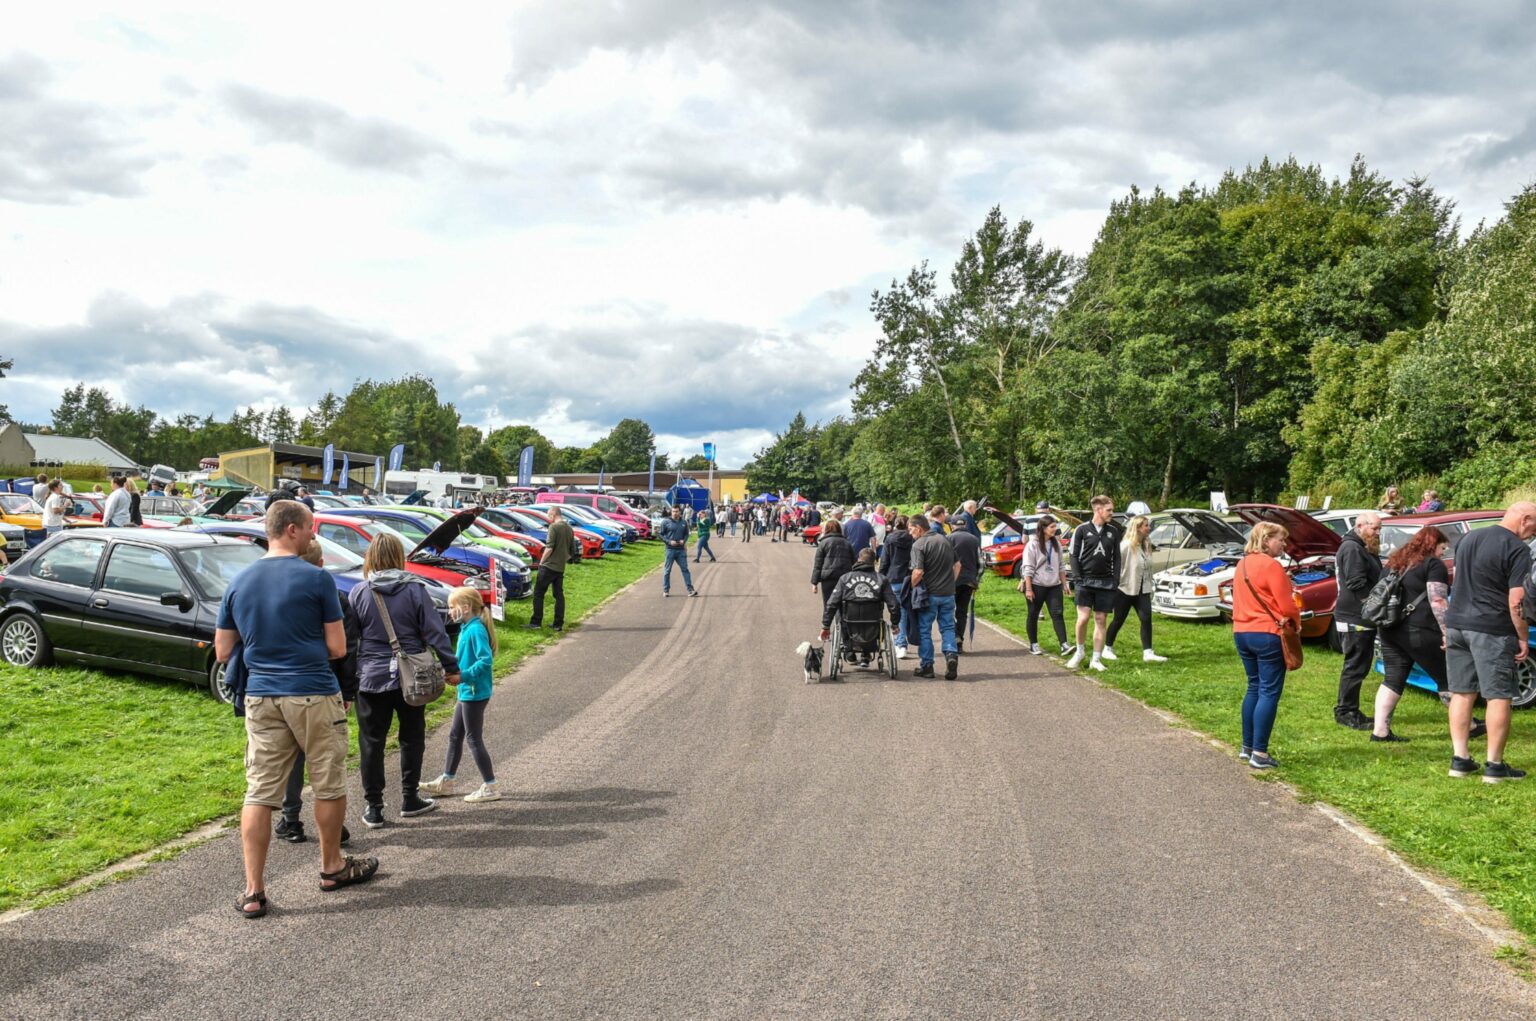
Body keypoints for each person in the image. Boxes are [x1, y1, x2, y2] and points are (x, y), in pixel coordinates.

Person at [215, 500, 376, 919]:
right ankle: (332, 867)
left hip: (262, 697)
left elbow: (222, 650)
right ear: (290, 529)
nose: (313, 536)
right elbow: (338, 648)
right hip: (312, 692)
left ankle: (253, 891)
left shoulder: (239, 581)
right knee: (327, 781)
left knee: (260, 791)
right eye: (309, 528)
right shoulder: (317, 579)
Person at [350, 533, 460, 827]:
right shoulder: (415, 590)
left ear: (370, 558)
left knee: (371, 742)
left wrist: (347, 680)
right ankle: (410, 797)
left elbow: (350, 639)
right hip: (413, 675)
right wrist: (450, 666)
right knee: (412, 737)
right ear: (400, 556)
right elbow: (435, 631)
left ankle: (374, 807)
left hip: (371, 677)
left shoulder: (359, 592)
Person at [275, 538, 359, 846]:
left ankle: (291, 819)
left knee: (294, 758)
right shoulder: (336, 598)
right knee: (328, 761)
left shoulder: (278, 596)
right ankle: (333, 825)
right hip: (326, 686)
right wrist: (348, 691)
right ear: (322, 565)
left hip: (281, 687)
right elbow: (347, 650)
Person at [1444, 502, 1536, 782]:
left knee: (1461, 693)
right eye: (1535, 526)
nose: (1533, 533)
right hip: (1491, 627)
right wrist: (1522, 636)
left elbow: (1459, 581)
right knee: (1498, 696)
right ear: (1525, 519)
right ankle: (1494, 765)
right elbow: (1516, 599)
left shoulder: (1468, 538)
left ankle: (1460, 760)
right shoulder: (1517, 549)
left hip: (1457, 623)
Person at [1371, 526, 1479, 742]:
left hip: (1390, 629)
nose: (1443, 553)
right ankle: (1469, 726)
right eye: (1442, 547)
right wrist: (1447, 632)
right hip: (1420, 630)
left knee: (1393, 679)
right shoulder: (1432, 565)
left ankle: (1380, 732)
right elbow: (1438, 600)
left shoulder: (1395, 562)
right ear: (1433, 544)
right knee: (1448, 680)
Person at [421, 588, 502, 803]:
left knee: (473, 738)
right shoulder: (467, 627)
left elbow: (486, 662)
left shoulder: (475, 630)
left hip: (474, 692)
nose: (449, 611)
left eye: (452, 607)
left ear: (466, 608)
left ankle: (491, 785)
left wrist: (463, 676)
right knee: (455, 735)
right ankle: (447, 780)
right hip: (467, 690)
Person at [1232, 522, 1301, 770]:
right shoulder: (1272, 565)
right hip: (1268, 633)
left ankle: (1247, 747)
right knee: (1269, 692)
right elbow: (1287, 606)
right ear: (1266, 539)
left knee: (1254, 687)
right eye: (1280, 540)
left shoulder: (1242, 563)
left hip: (1241, 631)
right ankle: (1260, 753)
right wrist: (1297, 623)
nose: (1284, 545)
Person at [1332, 512, 1382, 731]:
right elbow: (1355, 582)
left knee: (1358, 665)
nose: (1378, 533)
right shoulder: (1352, 548)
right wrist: (1373, 605)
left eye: (1380, 528)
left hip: (1359, 616)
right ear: (1360, 526)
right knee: (1355, 666)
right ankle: (1346, 711)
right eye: (1375, 528)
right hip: (1354, 617)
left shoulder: (1360, 546)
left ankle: (1350, 708)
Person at [819, 548, 901, 664]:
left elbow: (831, 603)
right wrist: (895, 623)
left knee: (842, 615)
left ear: (858, 559)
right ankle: (866, 654)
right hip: (873, 621)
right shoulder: (882, 579)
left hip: (849, 622)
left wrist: (825, 626)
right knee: (871, 618)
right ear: (874, 562)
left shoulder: (845, 578)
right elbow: (894, 604)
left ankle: (849, 652)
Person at [1104, 515, 1168, 663]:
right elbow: (1116, 566)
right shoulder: (1125, 545)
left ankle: (1148, 652)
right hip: (1125, 588)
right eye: (1146, 525)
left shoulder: (1146, 544)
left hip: (1143, 589)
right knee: (1119, 619)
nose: (1149, 528)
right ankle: (1107, 648)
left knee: (1146, 619)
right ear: (1138, 528)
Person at [1067, 496, 1121, 672]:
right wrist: (1077, 578)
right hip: (1085, 581)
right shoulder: (1081, 530)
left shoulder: (1113, 531)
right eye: (1109, 510)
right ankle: (1080, 651)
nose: (1112, 513)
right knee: (1082, 619)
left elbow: (1117, 558)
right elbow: (1073, 555)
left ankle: (1096, 659)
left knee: (1101, 619)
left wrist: (1115, 580)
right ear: (1098, 510)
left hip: (1106, 582)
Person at [909, 513, 961, 679]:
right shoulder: (944, 540)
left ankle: (927, 666)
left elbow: (918, 572)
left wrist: (910, 587)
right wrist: (951, 582)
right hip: (948, 593)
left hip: (929, 594)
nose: (910, 533)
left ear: (918, 528)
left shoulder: (919, 545)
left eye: (911, 530)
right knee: (947, 627)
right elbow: (958, 565)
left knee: (925, 630)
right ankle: (951, 655)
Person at [1019, 514, 1072, 656]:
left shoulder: (1056, 544)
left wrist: (1064, 584)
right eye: (1052, 527)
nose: (1056, 529)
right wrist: (1029, 589)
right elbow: (1028, 568)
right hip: (1036, 585)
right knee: (1033, 614)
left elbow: (1061, 565)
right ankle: (1034, 644)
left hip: (1053, 585)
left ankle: (1064, 644)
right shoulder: (1032, 544)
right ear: (1043, 528)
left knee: (1058, 613)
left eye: (1056, 526)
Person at [526, 506, 580, 631]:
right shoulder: (569, 529)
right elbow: (572, 550)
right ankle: (558, 624)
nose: (548, 518)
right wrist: (562, 560)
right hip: (560, 568)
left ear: (554, 514)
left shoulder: (554, 527)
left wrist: (541, 562)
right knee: (559, 595)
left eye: (549, 515)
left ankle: (536, 622)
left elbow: (549, 547)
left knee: (539, 594)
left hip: (548, 566)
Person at [880, 513, 915, 658]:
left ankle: (901, 643)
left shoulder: (890, 538)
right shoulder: (912, 539)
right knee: (906, 610)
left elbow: (885, 560)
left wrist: (881, 577)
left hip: (893, 578)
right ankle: (903, 640)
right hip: (909, 578)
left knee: (898, 611)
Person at [949, 523, 981, 654]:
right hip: (969, 581)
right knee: (962, 612)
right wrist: (976, 581)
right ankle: (959, 639)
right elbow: (981, 564)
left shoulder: (948, 538)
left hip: (952, 581)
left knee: (949, 611)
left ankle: (952, 638)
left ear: (952, 526)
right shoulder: (974, 539)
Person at [811, 519, 854, 610]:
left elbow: (818, 564)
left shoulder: (823, 543)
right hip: (845, 577)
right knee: (843, 604)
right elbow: (853, 561)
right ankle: (841, 622)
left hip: (828, 577)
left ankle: (826, 623)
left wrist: (814, 583)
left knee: (828, 603)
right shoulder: (847, 543)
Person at [657, 505, 696, 596]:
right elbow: (660, 535)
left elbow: (686, 534)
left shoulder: (684, 522)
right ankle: (666, 590)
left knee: (685, 569)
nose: (675, 513)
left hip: (681, 550)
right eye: (673, 511)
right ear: (671, 512)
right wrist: (669, 542)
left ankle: (690, 590)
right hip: (670, 550)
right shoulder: (665, 522)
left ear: (680, 512)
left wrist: (684, 540)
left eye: (677, 511)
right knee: (667, 571)